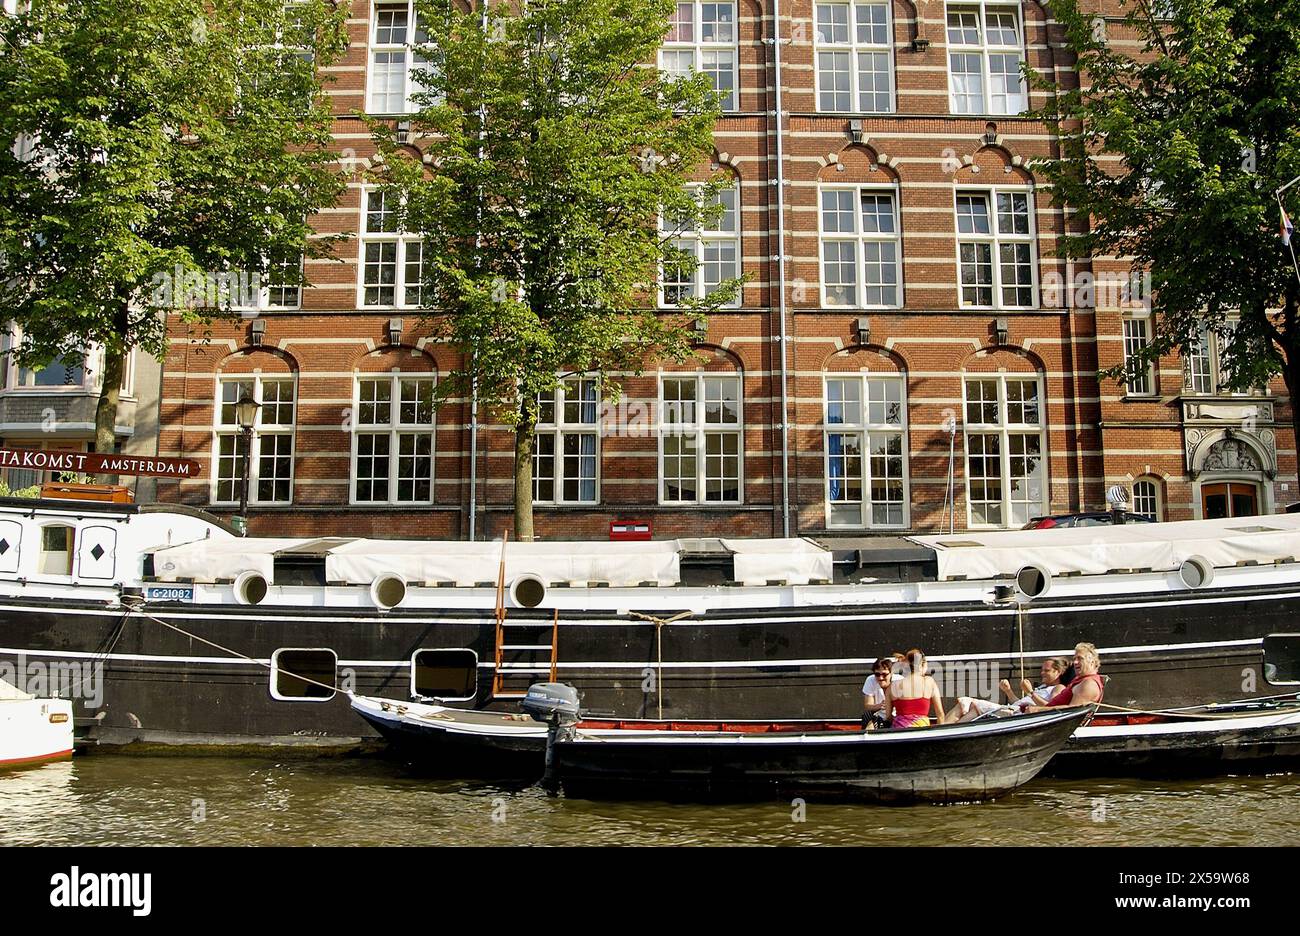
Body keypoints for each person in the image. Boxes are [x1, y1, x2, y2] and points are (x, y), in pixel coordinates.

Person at [945, 657, 1068, 722]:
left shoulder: (1058, 687)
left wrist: (1030, 692)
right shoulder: (1042, 688)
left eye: (1046, 670)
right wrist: (1008, 691)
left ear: (1058, 672)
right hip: (1014, 710)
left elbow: (1050, 707)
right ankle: (949, 731)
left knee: (966, 702)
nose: (1042, 673)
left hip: (1017, 714)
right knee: (973, 709)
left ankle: (943, 730)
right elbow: (1019, 703)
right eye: (1042, 670)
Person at [1025, 643, 1104, 712]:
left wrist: (1038, 709)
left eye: (1080, 658)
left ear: (1092, 662)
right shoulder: (1080, 680)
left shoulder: (1089, 684)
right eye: (1074, 659)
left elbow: (1073, 710)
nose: (1075, 662)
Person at [885, 648, 945, 728]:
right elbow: (940, 715)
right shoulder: (929, 682)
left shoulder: (892, 686)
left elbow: (888, 717)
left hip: (899, 733)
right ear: (923, 664)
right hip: (922, 733)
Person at [861, 655, 902, 728]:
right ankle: (870, 737)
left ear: (891, 673)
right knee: (867, 715)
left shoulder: (899, 681)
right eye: (877, 674)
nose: (881, 678)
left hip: (896, 717)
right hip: (879, 717)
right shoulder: (870, 680)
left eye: (884, 674)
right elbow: (868, 705)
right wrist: (880, 706)